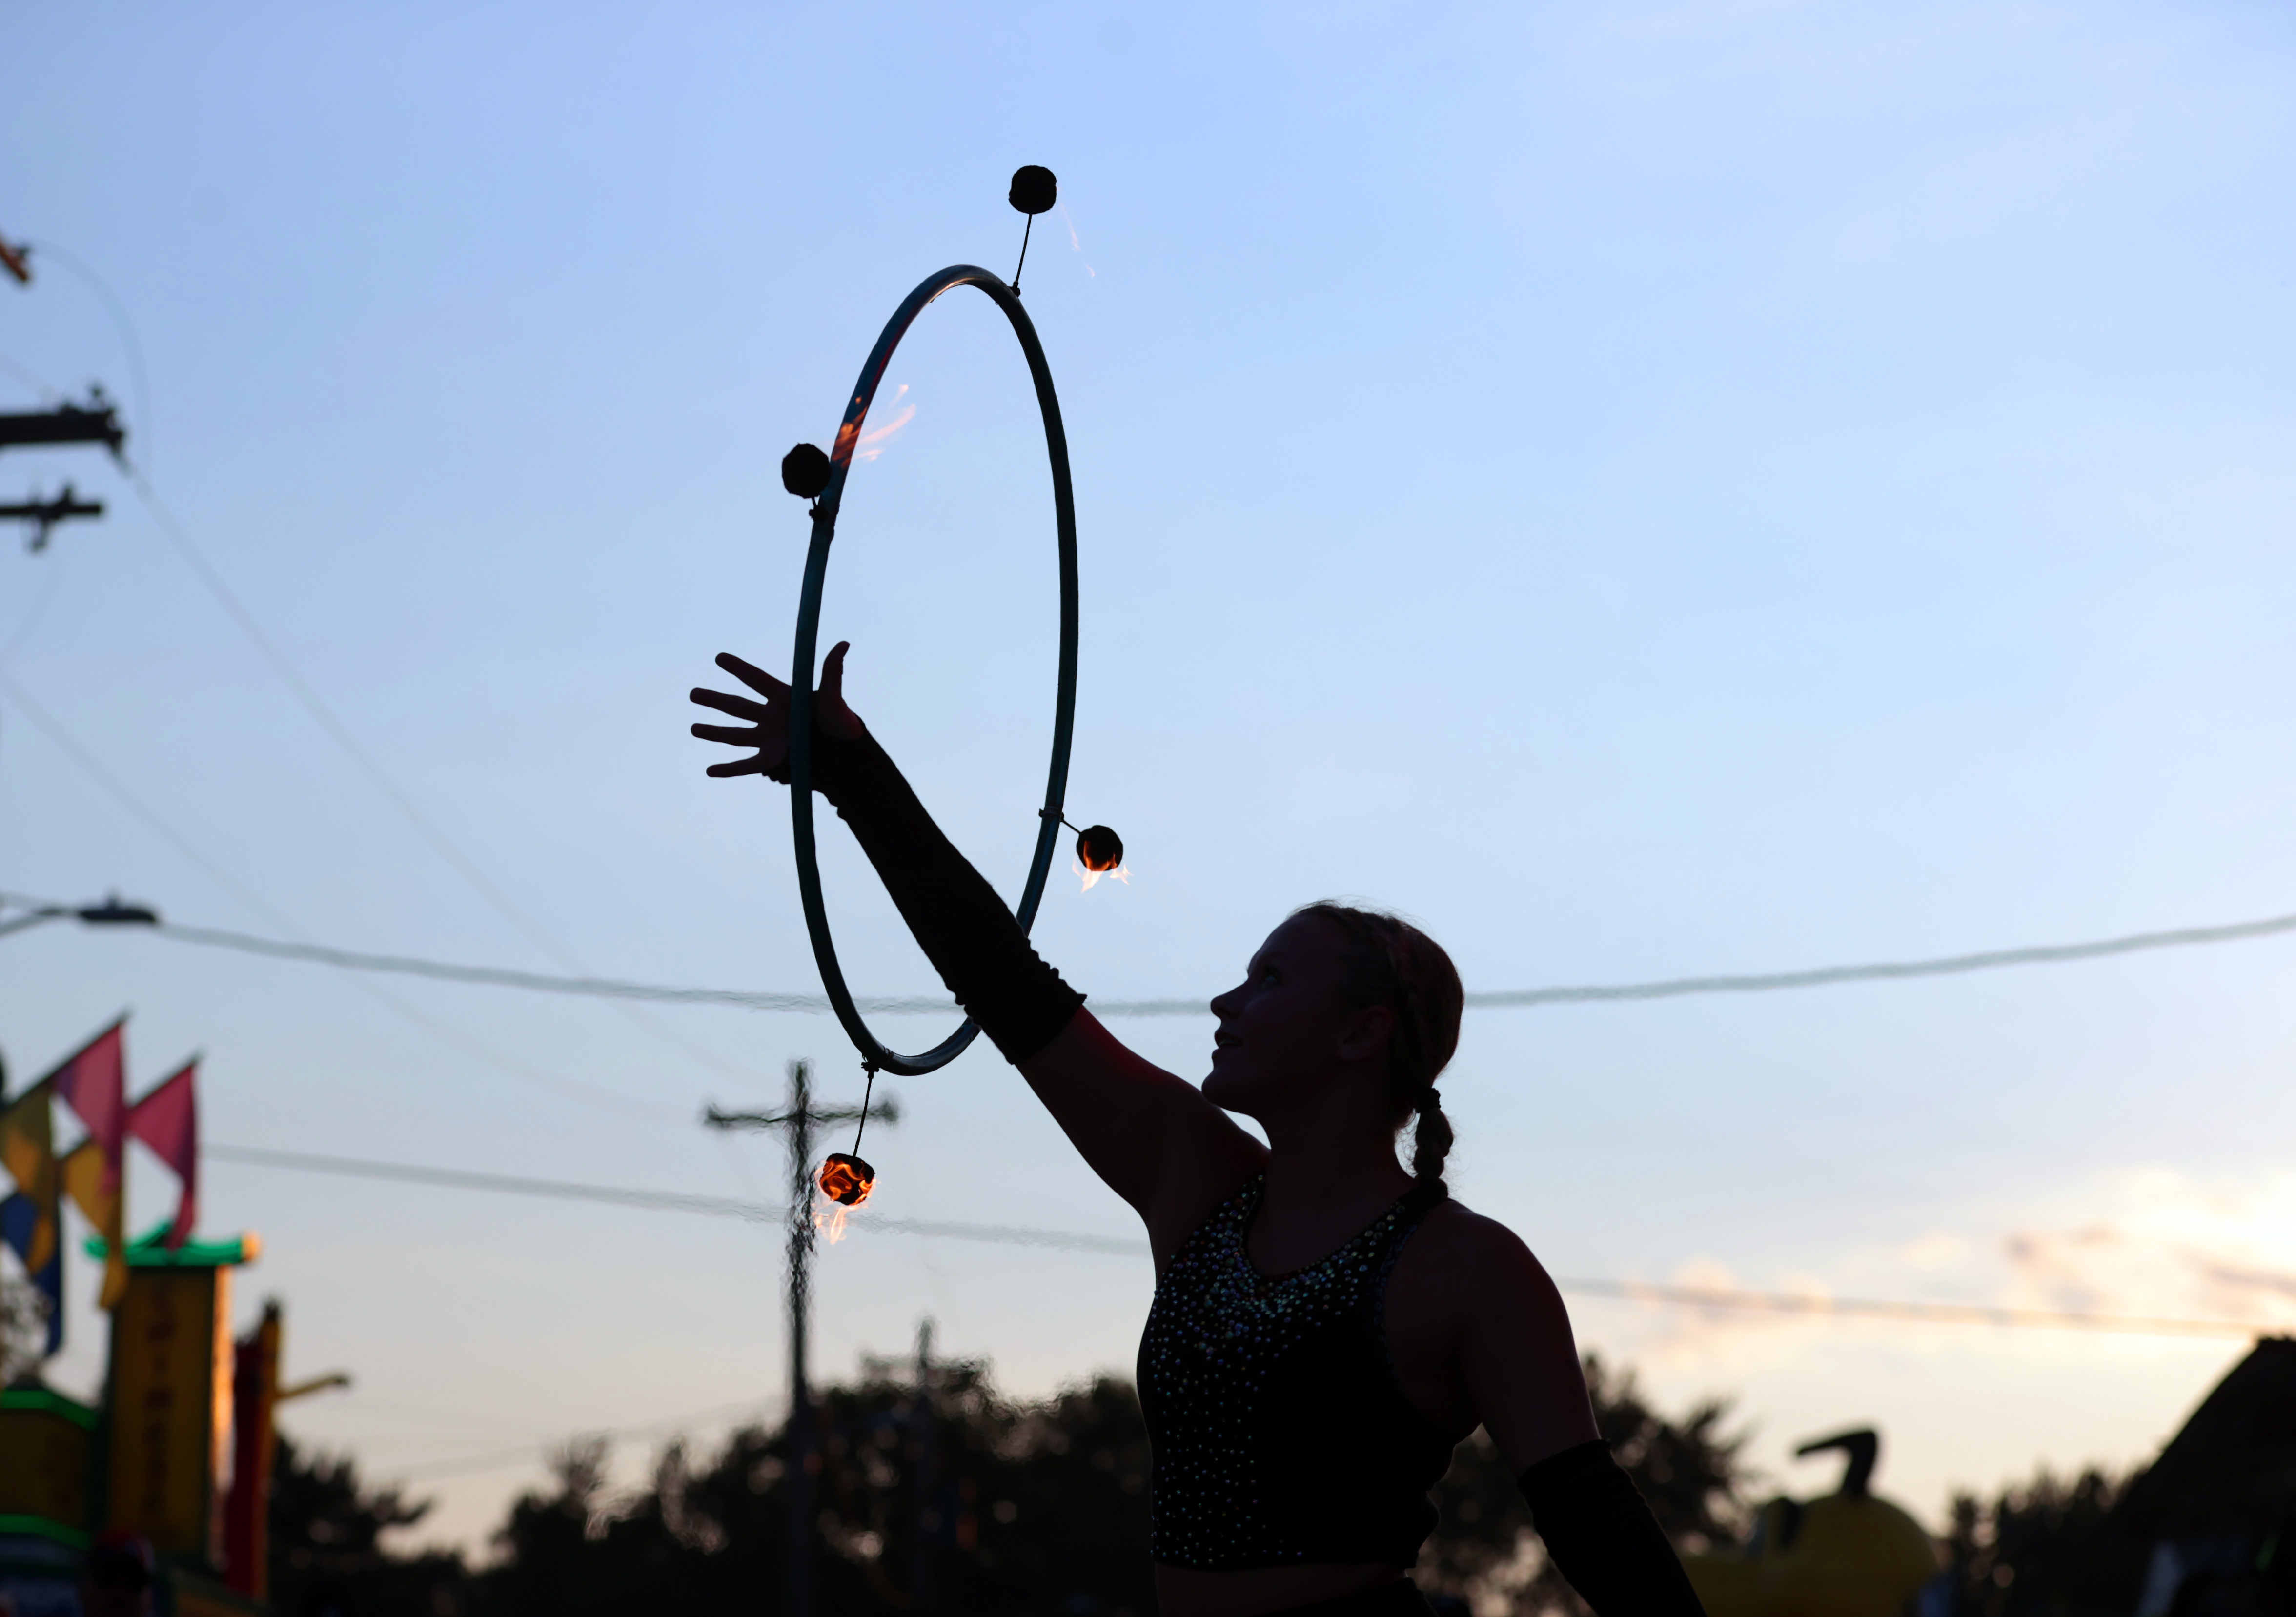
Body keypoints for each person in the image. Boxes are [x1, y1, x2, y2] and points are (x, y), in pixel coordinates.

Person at [691, 643, 1705, 1617]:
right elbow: (1007, 986)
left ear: (1363, 1032)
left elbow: (1591, 1522)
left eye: (1267, 979)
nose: (1225, 1000)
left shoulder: (1471, 1271)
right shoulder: (1201, 1182)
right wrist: (855, 776)